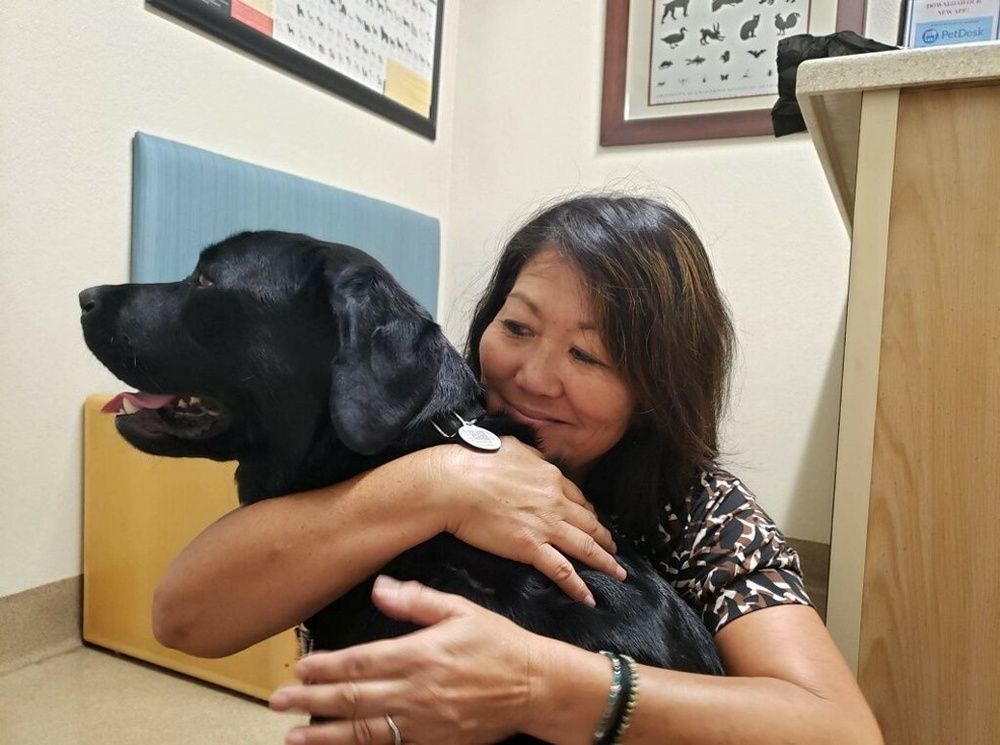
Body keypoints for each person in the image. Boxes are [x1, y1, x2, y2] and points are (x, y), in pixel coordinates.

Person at [152, 194, 883, 744]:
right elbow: (185, 615)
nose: (533, 376)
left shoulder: (702, 511)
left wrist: (545, 685)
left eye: (588, 355)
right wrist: (443, 484)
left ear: (659, 388)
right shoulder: (417, 423)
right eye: (518, 326)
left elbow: (839, 729)